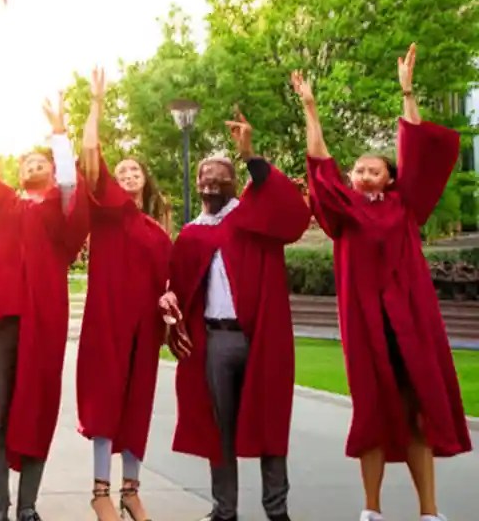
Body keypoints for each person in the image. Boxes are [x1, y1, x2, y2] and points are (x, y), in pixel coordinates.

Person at [293, 45, 469, 521]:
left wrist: (407, 92)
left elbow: (416, 148)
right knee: (371, 414)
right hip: (368, 324)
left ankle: (429, 512)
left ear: (391, 179)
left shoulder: (405, 207)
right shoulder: (342, 213)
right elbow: (320, 167)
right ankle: (371, 510)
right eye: (360, 169)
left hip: (409, 322)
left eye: (376, 168)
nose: (366, 173)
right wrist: (311, 111)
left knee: (417, 414)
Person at [159, 109, 310, 521]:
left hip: (260, 337)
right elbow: (176, 290)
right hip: (215, 340)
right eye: (205, 175)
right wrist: (169, 307)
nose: (211, 181)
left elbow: (287, 208)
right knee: (217, 429)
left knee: (268, 422)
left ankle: (276, 509)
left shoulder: (251, 219)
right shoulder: (190, 235)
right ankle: (224, 510)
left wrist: (250, 156)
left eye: (221, 175)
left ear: (234, 182)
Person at [0, 84, 87, 521]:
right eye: (26, 161)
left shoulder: (59, 210)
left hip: (41, 325)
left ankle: (27, 507)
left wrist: (60, 134)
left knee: (36, 411)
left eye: (40, 161)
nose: (32, 165)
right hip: (0, 324)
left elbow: (71, 183)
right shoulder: (4, 205)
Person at [76, 68, 173, 521]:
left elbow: (168, 285)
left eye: (135, 169)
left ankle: (130, 491)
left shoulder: (158, 233)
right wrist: (96, 103)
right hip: (107, 321)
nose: (127, 173)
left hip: (145, 329)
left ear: (145, 180)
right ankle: (99, 490)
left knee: (138, 404)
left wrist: (169, 306)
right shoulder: (108, 209)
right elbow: (91, 155)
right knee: (104, 399)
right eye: (122, 170)